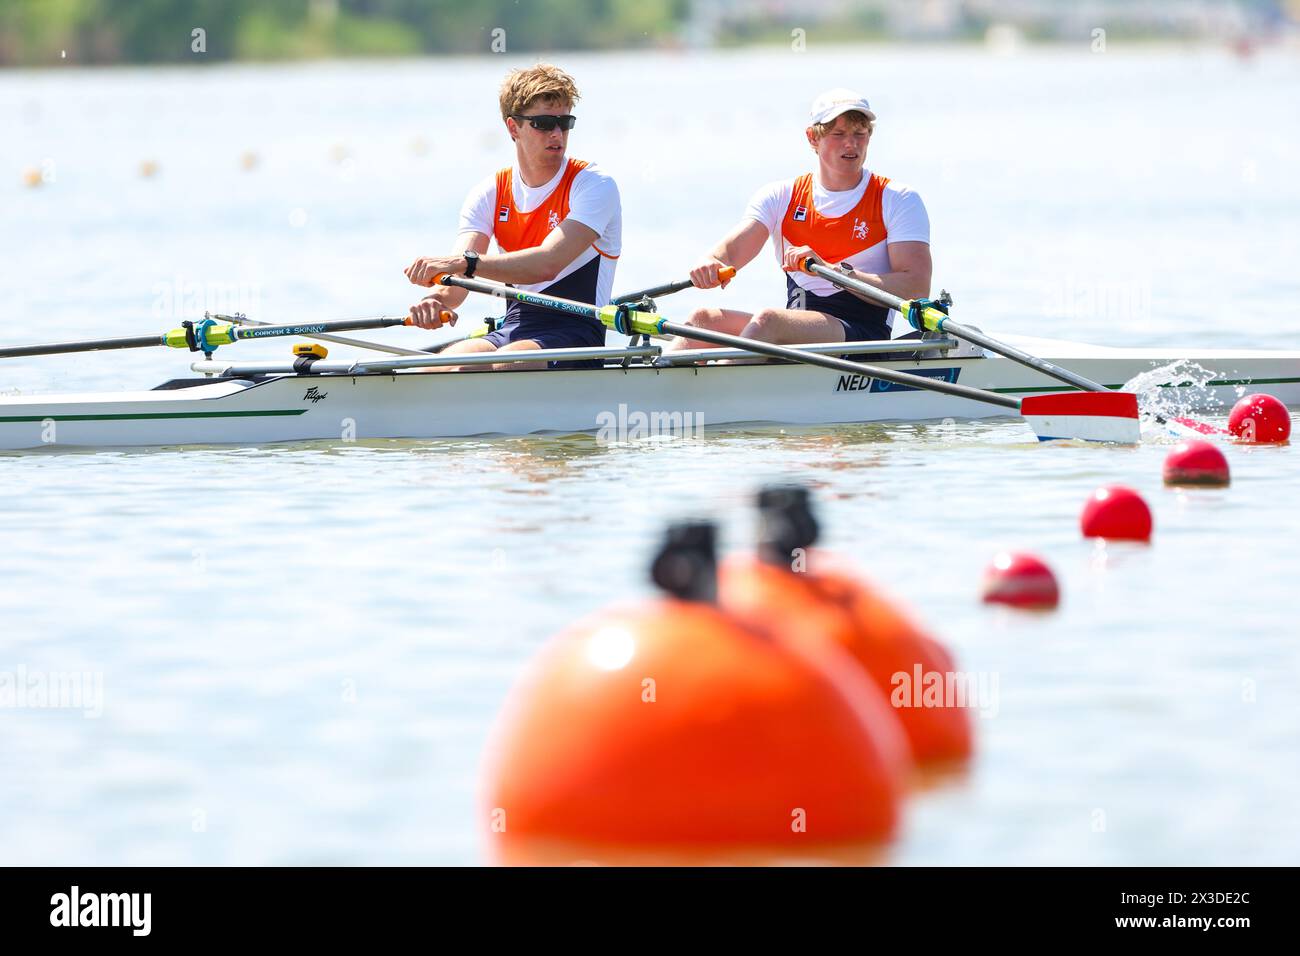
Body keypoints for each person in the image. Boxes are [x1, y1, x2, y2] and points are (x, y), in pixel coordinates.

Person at [668, 88, 932, 354]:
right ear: (812, 138)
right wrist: (710, 263)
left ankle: (727, 389)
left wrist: (835, 272)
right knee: (702, 320)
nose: (851, 144)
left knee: (767, 322)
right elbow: (731, 251)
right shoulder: (781, 196)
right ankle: (661, 390)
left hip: (861, 331)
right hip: (797, 328)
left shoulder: (897, 199)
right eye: (838, 134)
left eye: (859, 134)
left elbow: (917, 288)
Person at [404, 64, 621, 369]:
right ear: (513, 127)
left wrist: (464, 264)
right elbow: (455, 285)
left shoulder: (593, 185)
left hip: (576, 332)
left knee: (506, 363)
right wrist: (436, 301)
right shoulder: (489, 192)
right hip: (514, 327)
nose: (557, 133)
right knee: (443, 365)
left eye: (565, 122)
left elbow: (548, 263)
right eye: (544, 123)